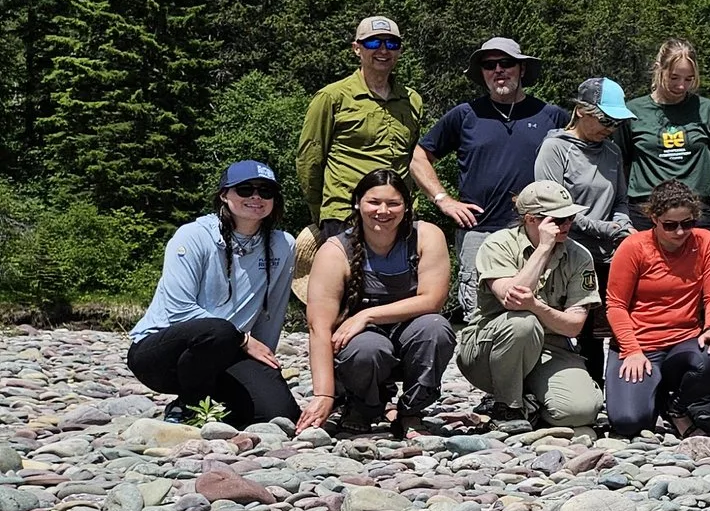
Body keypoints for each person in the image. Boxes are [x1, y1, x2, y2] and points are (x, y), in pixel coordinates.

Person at [128, 161, 300, 428]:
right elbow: (179, 309)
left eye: (266, 191)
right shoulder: (192, 236)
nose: (256, 197)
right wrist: (242, 338)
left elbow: (272, 311)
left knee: (280, 415)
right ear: (224, 194)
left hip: (229, 349)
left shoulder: (282, 244)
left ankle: (213, 402)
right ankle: (188, 402)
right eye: (245, 189)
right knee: (218, 331)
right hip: (163, 351)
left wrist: (265, 361)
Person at [411, 37, 567, 322]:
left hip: (537, 233)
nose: (498, 70)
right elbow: (419, 157)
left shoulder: (551, 116)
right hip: (478, 232)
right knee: (479, 317)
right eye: (489, 64)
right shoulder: (465, 115)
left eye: (506, 63)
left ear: (521, 69)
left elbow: (580, 157)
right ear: (481, 73)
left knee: (539, 311)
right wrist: (444, 201)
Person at [301, 169, 453, 437]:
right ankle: (361, 406)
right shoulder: (335, 251)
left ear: (406, 207)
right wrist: (323, 393)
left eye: (393, 203)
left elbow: (433, 299)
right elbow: (318, 326)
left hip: (411, 334)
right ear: (357, 202)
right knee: (368, 348)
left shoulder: (427, 236)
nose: (383, 211)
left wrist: (367, 315)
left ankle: (411, 411)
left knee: (436, 329)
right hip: (361, 345)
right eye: (374, 202)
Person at [454, 180, 603, 433]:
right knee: (523, 322)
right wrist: (544, 248)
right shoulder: (497, 244)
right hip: (491, 347)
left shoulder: (579, 255)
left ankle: (530, 403)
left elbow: (574, 327)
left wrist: (537, 306)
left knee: (581, 411)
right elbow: (512, 300)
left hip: (551, 346)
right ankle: (507, 407)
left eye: (570, 217)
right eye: (558, 220)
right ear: (531, 219)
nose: (567, 225)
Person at [603, 181, 710, 437]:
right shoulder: (634, 247)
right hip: (640, 345)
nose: (680, 231)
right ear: (654, 219)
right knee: (629, 422)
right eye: (670, 225)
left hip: (682, 341)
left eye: (687, 223)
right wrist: (631, 350)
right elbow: (615, 306)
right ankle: (656, 394)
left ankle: (677, 407)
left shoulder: (705, 242)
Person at [297, 16, 426, 240]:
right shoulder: (332, 97)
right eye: (374, 43)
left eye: (391, 43)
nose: (383, 50)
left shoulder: (412, 100)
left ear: (399, 51)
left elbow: (416, 159)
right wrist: (322, 211)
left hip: (397, 215)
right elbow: (310, 159)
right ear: (357, 49)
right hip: (345, 214)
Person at [622, 39, 710, 221]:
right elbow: (621, 164)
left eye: (689, 79)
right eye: (674, 77)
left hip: (696, 209)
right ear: (658, 68)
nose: (681, 86)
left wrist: (707, 197)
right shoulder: (632, 111)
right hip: (645, 210)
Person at [536, 79, 635, 268]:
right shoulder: (555, 148)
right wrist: (605, 229)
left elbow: (620, 201)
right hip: (565, 256)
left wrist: (623, 225)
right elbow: (554, 208)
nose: (611, 128)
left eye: (618, 122)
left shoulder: (613, 152)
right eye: (605, 120)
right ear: (581, 110)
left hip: (609, 256)